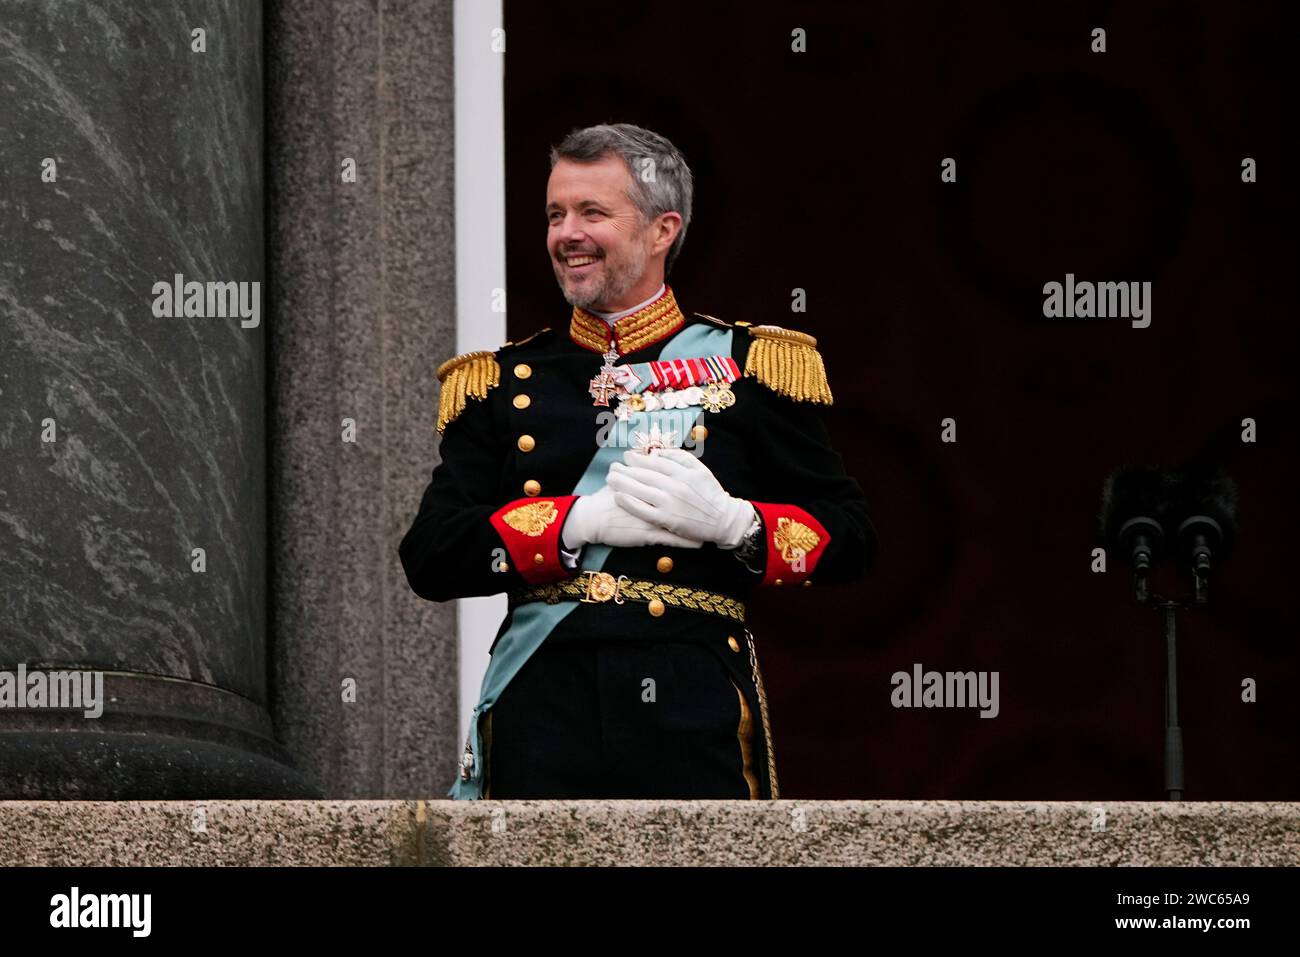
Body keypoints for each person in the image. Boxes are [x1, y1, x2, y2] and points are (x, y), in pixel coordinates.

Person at [399, 123, 877, 800]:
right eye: (555, 213)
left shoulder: (750, 367)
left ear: (662, 230)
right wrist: (571, 522)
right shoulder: (502, 381)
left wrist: (739, 525)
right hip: (543, 701)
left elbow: (852, 537)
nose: (567, 233)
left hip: (690, 703)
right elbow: (431, 555)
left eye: (593, 212)